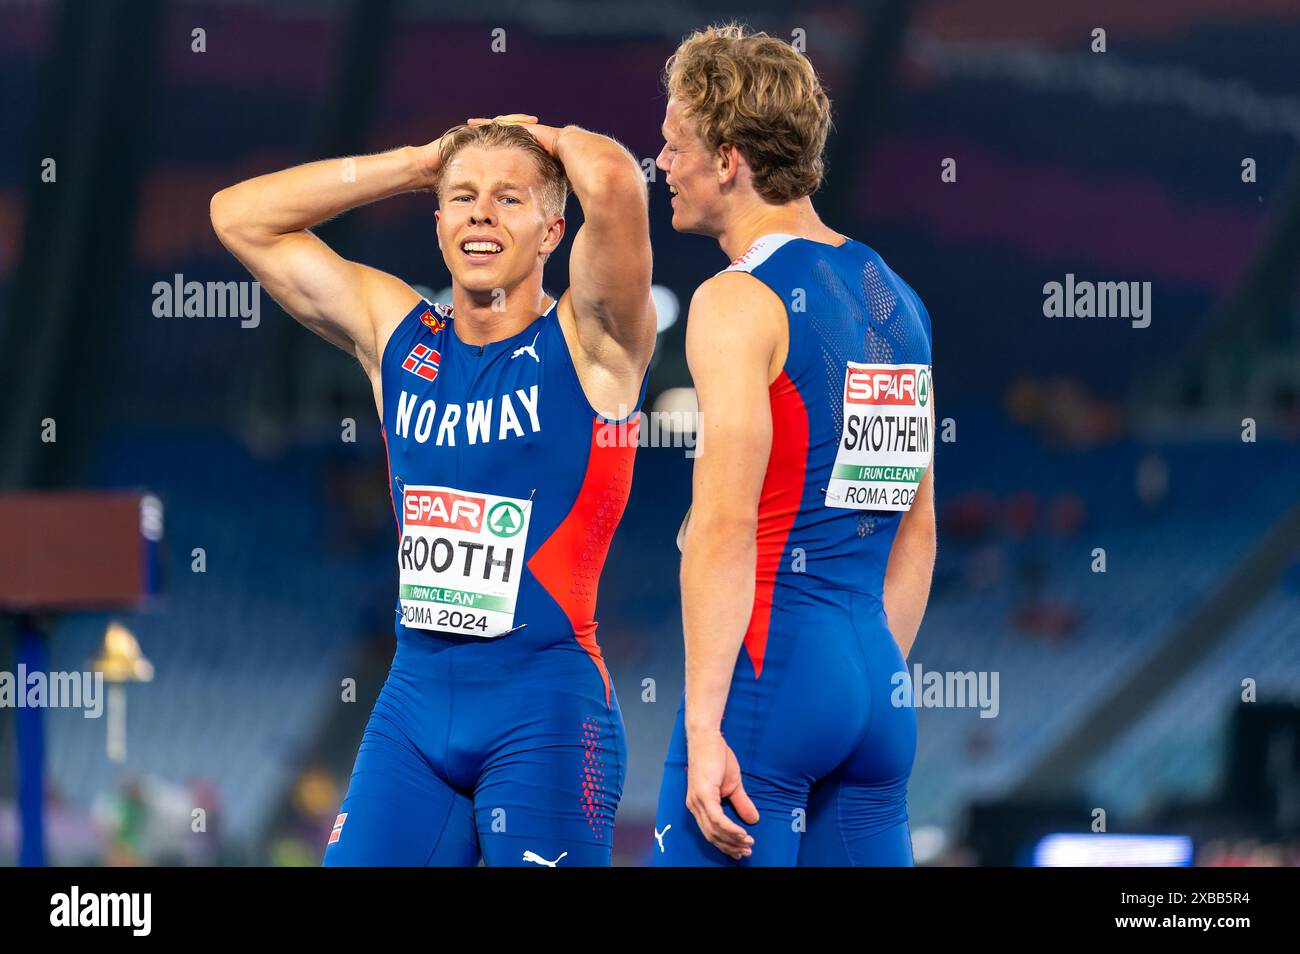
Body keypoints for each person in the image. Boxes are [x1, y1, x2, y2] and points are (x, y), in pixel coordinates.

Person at [211, 115, 655, 865]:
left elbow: (613, 181)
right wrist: (418, 162)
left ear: (553, 232)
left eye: (509, 200)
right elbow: (238, 217)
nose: (481, 212)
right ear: (439, 220)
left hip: (545, 711)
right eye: (463, 198)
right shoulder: (399, 338)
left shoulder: (593, 343)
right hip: (412, 711)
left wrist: (539, 134)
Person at [652, 24, 936, 866]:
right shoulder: (898, 298)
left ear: (728, 158)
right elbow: (915, 530)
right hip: (876, 691)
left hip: (768, 687)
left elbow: (723, 524)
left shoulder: (735, 301)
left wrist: (707, 726)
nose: (661, 164)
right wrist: (865, 675)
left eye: (674, 144)